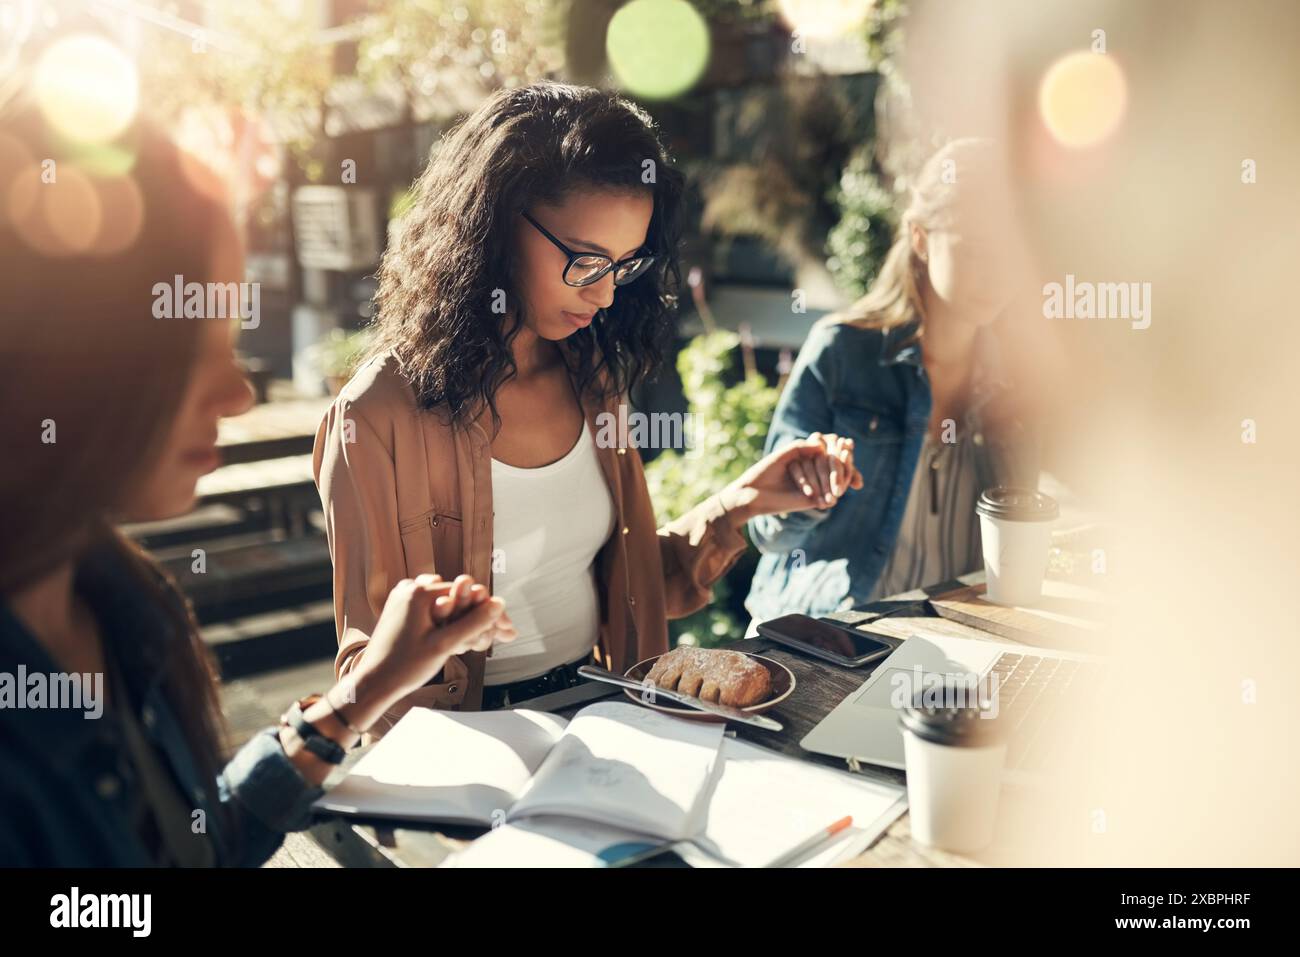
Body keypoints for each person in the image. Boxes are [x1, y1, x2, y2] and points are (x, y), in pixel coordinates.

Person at [0, 95, 514, 865]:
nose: (239, 394)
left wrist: (360, 695)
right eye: (193, 351)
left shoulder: (117, 601)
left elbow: (196, 844)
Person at [314, 82, 862, 728]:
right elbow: (367, 674)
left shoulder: (590, 375)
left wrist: (743, 502)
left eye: (623, 266)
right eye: (584, 263)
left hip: (610, 713)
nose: (603, 297)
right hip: (469, 749)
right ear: (494, 222)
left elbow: (621, 580)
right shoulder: (375, 417)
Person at [745, 139, 1058, 627]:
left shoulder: (1021, 381)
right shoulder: (843, 351)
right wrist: (808, 493)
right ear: (919, 238)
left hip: (961, 640)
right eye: (974, 246)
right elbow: (767, 531)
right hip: (835, 638)